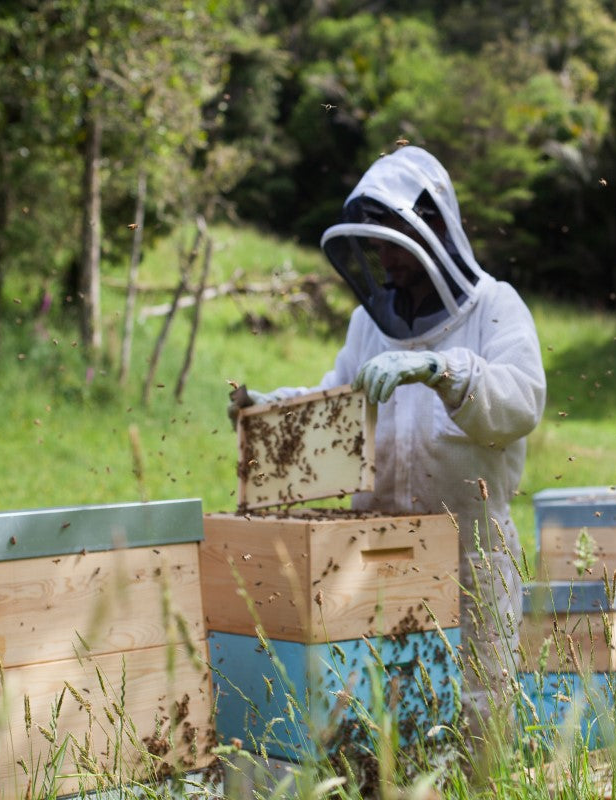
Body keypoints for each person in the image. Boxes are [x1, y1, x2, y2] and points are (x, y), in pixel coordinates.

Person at [230, 145, 546, 729]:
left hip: (469, 556)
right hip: (373, 557)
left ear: (433, 232)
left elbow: (523, 400)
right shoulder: (368, 326)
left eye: (394, 242)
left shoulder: (494, 308)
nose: (385, 258)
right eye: (377, 245)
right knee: (382, 728)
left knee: (476, 722)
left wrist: (442, 371)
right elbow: (338, 415)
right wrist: (267, 414)